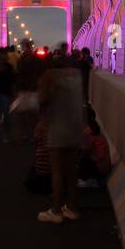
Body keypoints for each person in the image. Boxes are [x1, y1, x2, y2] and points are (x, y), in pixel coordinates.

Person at [37, 55, 84, 224]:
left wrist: (42, 120)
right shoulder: (76, 74)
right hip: (75, 126)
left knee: (56, 171)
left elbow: (42, 100)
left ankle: (56, 211)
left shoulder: (49, 76)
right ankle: (72, 208)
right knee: (72, 171)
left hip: (58, 127)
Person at [79, 112, 113, 188]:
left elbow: (86, 152)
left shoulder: (92, 138)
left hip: (100, 167)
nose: (84, 128)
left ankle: (91, 180)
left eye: (86, 127)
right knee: (82, 159)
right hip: (103, 166)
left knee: (83, 160)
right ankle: (90, 179)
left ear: (90, 128)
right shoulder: (98, 136)